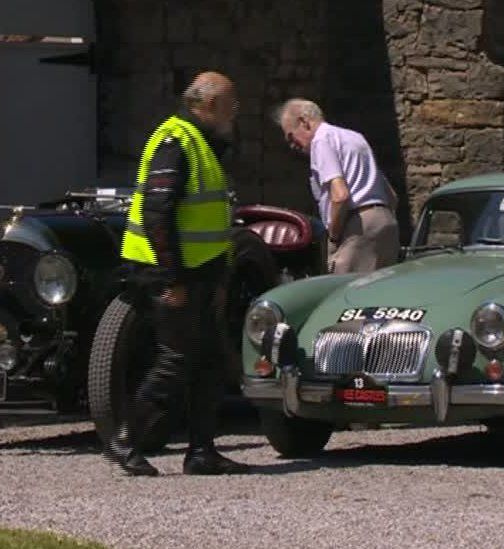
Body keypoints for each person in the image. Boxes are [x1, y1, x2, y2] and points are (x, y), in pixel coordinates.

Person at [107, 71, 249, 477]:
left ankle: (202, 452)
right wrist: (171, 279)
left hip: (199, 272)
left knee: (208, 359)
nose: (235, 111)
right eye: (229, 103)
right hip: (168, 272)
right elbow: (157, 213)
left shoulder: (203, 144)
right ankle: (125, 441)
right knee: (177, 358)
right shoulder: (176, 142)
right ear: (205, 106)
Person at [276, 98, 400, 273]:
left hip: (356, 226)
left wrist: (334, 238)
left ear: (304, 122)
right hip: (386, 223)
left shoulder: (321, 140)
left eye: (291, 136)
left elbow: (340, 195)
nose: (291, 145)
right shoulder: (355, 138)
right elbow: (392, 196)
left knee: (346, 294)